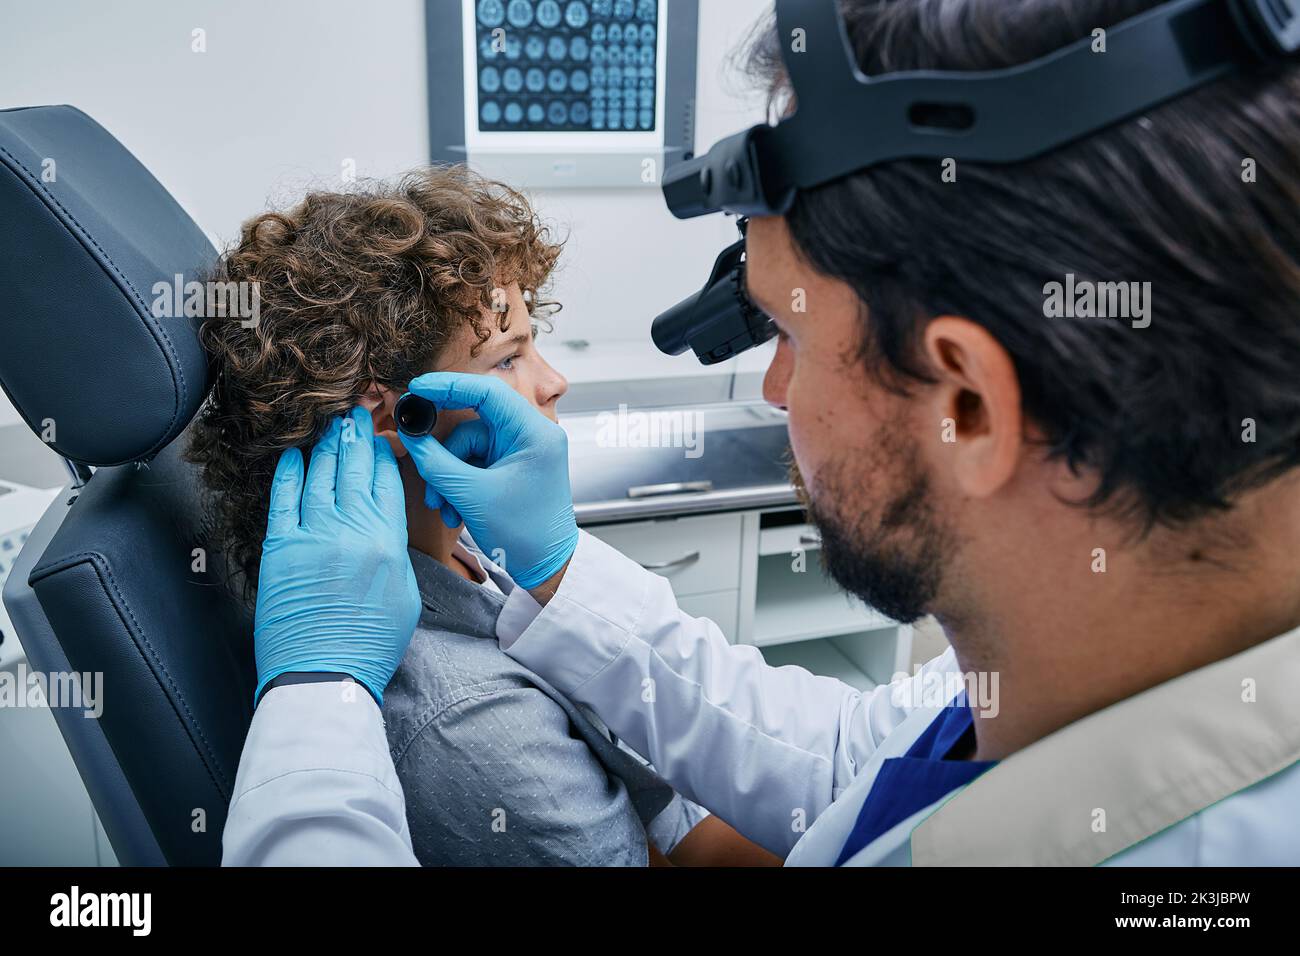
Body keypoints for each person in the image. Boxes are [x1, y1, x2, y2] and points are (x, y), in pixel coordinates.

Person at [228, 0, 1300, 866]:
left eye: (787, 328)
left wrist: (314, 704)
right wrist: (558, 575)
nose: (776, 389)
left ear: (968, 402)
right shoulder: (1057, 684)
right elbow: (847, 763)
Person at [208, 170, 775, 865]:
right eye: (510, 359)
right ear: (392, 416)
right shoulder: (470, 724)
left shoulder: (468, 539)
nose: (553, 381)